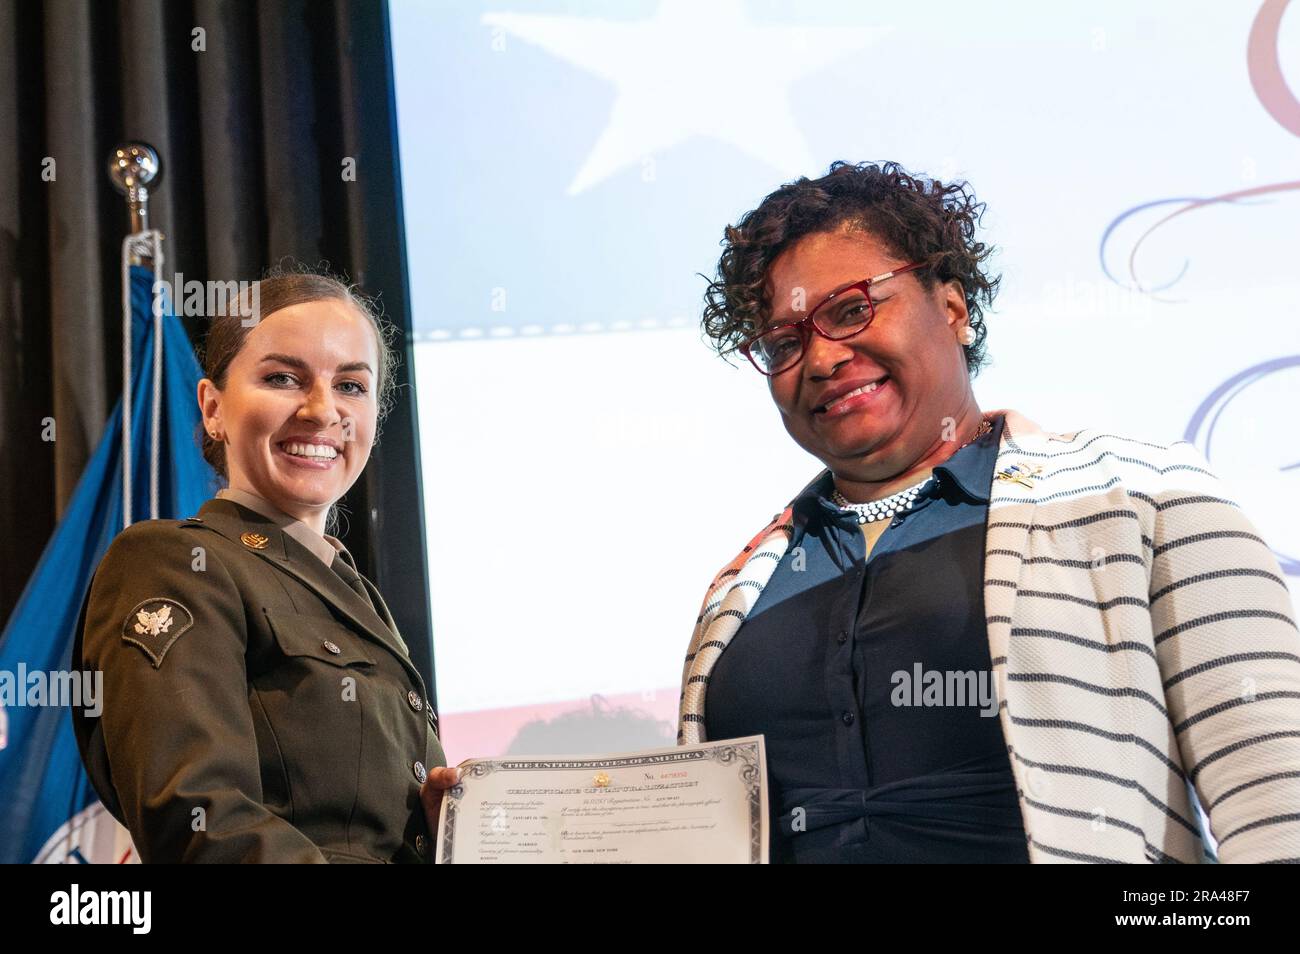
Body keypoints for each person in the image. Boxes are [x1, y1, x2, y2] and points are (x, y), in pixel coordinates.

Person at [678, 161, 1300, 863]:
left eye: (852, 309)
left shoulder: (1140, 492)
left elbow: (1278, 802)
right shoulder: (738, 592)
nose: (821, 357)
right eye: (785, 343)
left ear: (952, 308)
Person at [73, 270, 459, 863]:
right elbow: (200, 821)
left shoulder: (354, 593)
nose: (322, 410)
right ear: (213, 408)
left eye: (352, 385)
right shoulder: (170, 563)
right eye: (283, 378)